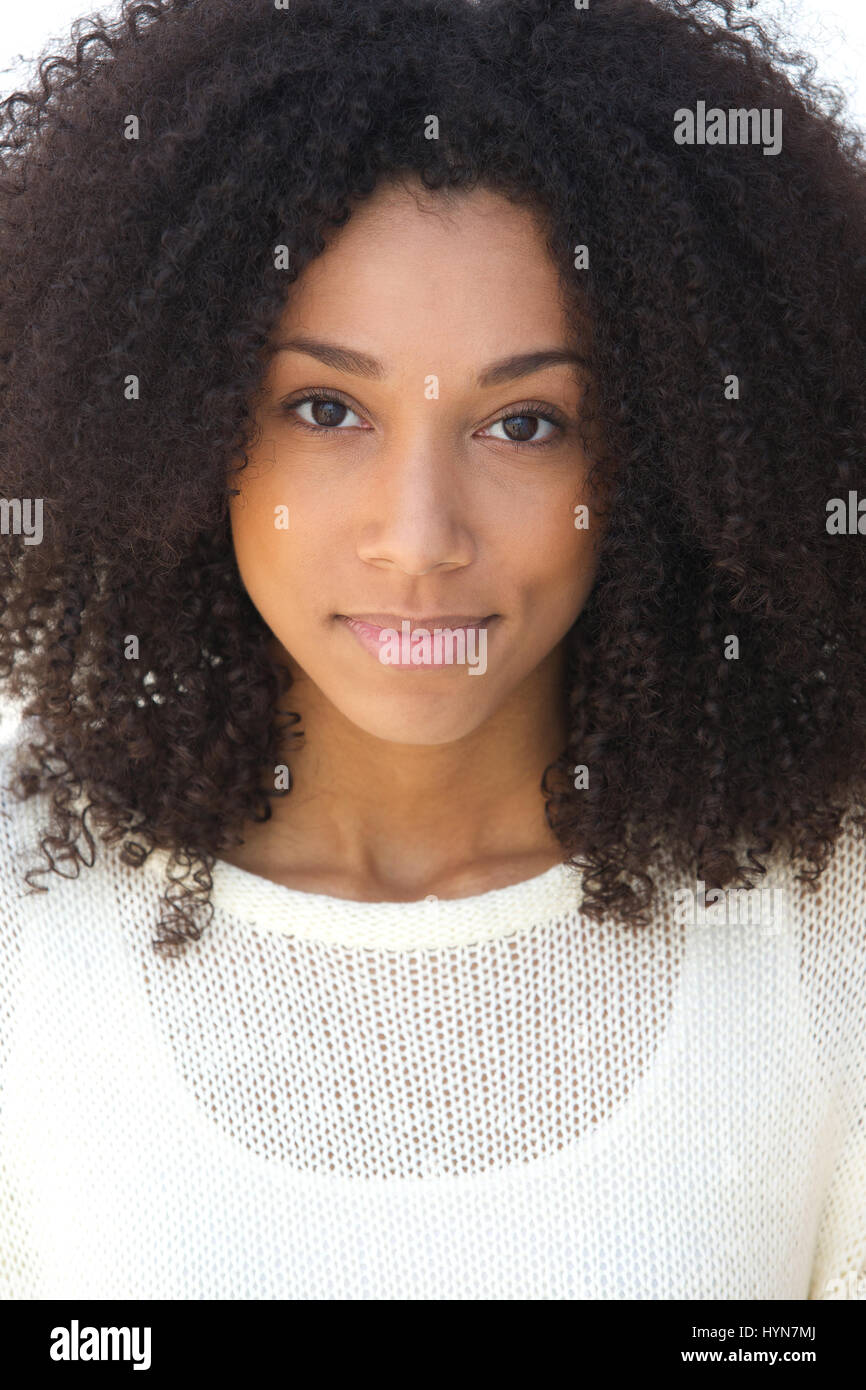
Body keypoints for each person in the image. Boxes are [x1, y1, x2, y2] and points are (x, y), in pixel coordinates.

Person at [0, 0, 864, 1301]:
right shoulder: (25, 925)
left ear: (674, 451)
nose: (419, 537)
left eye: (523, 423)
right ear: (178, 420)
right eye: (326, 407)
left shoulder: (825, 925)